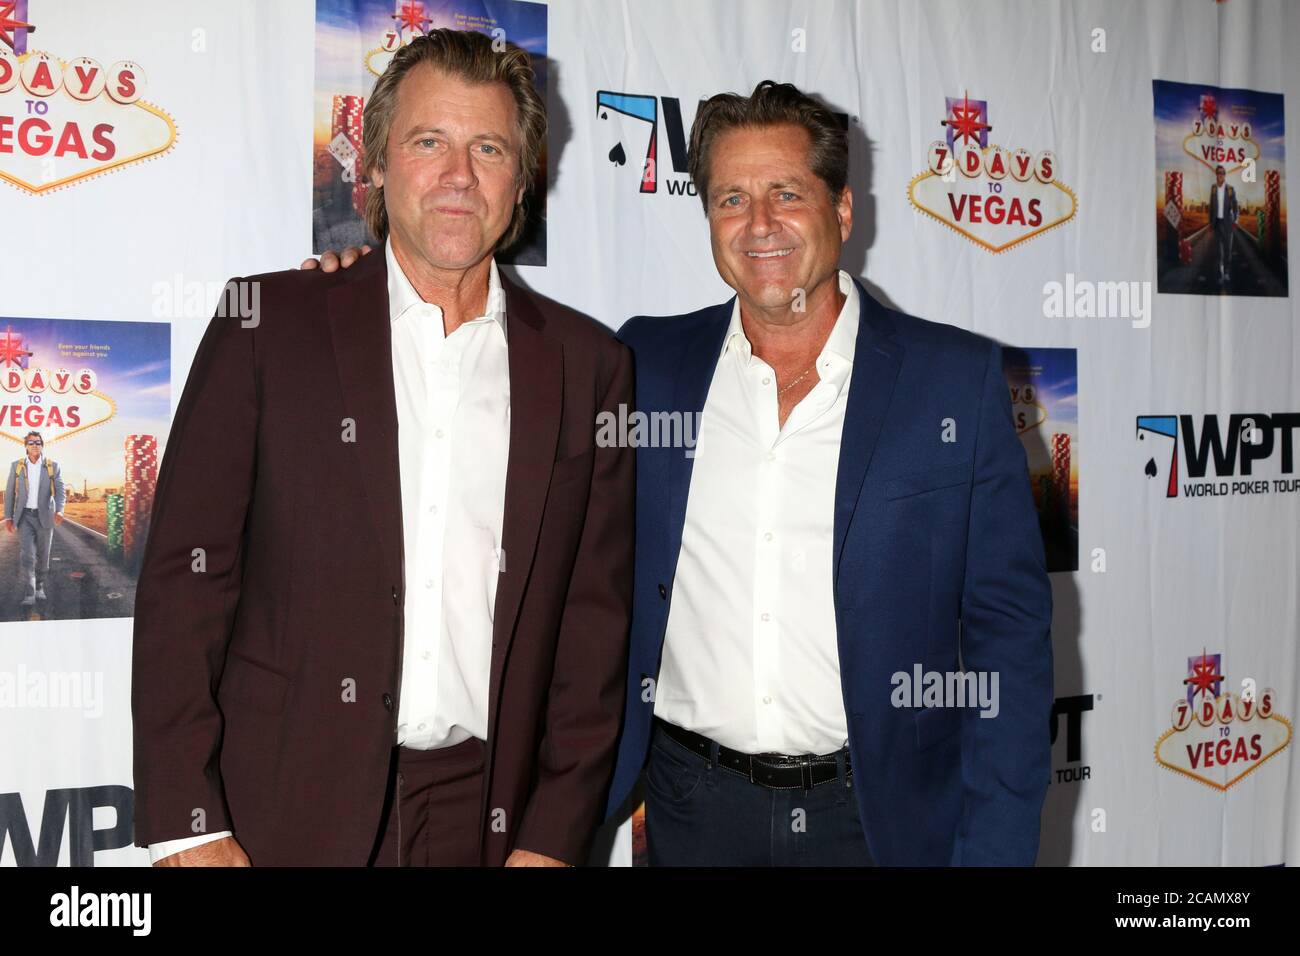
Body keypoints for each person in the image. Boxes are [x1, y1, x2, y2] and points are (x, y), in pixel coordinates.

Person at [316, 80, 1054, 867]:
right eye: (732, 198)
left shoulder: (953, 383)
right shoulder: (645, 363)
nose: (760, 223)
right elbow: (487, 406)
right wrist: (367, 289)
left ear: (842, 210)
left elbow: (1009, 645)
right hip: (690, 811)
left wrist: (996, 853)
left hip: (881, 824)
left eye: (786, 194)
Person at [132, 29, 634, 867]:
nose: (459, 175)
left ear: (522, 180)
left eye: (489, 148)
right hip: (279, 809)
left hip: (485, 818)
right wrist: (190, 820)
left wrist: (553, 840)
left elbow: (593, 628)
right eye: (428, 142)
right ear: (375, 165)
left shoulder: (589, 367)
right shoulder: (269, 325)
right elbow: (187, 581)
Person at [3, 430, 65, 606]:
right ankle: (30, 593)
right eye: (31, 442)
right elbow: (9, 493)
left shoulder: (52, 466)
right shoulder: (17, 466)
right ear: (26, 446)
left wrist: (60, 510)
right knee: (27, 556)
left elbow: (60, 491)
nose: (35, 445)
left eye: (38, 442)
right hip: (25, 517)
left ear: (42, 445)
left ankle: (39, 587)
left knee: (43, 556)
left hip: (45, 517)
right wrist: (8, 517)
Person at [1208, 163, 1238, 283]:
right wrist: (1210, 223)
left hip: (1227, 224)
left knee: (1227, 250)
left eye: (1222, 173)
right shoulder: (1213, 188)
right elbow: (1211, 206)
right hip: (1217, 224)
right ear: (1216, 174)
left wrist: (1235, 220)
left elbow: (1235, 206)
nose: (1220, 175)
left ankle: (1226, 272)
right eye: (1218, 173)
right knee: (1218, 251)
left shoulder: (1230, 189)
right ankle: (1220, 274)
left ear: (1225, 175)